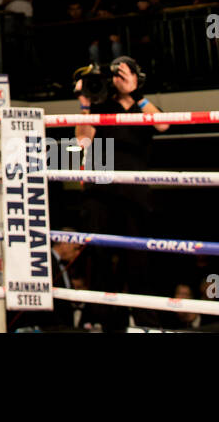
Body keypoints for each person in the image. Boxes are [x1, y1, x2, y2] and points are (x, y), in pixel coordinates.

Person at [73, 56, 170, 329]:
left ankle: (146, 323)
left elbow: (163, 125)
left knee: (137, 261)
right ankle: (105, 324)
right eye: (116, 74)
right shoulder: (101, 106)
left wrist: (135, 93)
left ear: (137, 78)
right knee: (101, 259)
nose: (118, 79)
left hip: (134, 194)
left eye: (124, 74)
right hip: (101, 192)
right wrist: (85, 104)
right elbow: (82, 141)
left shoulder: (145, 107)